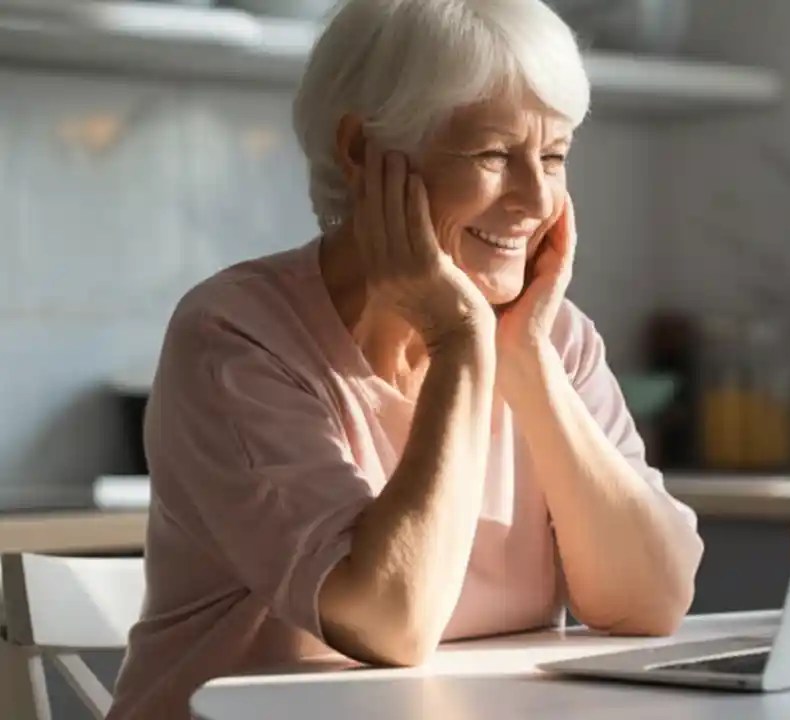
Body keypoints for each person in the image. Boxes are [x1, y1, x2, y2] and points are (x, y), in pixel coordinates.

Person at [106, 0, 704, 716]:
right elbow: (390, 623)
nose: (535, 198)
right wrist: (459, 346)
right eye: (492, 154)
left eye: (553, 156)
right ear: (361, 152)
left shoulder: (554, 338)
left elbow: (651, 604)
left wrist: (530, 367)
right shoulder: (237, 336)